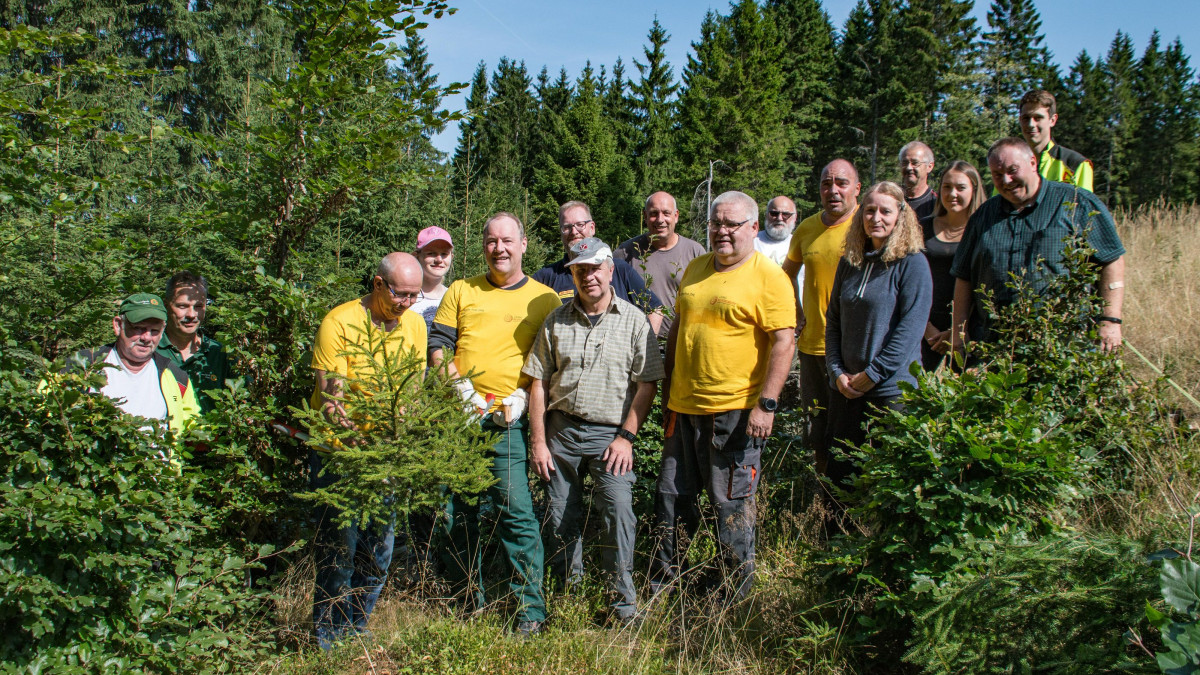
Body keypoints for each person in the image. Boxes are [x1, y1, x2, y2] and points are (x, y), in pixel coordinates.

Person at [652, 191, 795, 603]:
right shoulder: (696, 267)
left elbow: (784, 343)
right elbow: (678, 329)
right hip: (683, 408)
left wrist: (766, 405)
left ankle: (734, 592)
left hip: (734, 413)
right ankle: (663, 585)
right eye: (716, 223)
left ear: (754, 227)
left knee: (730, 504)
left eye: (731, 224)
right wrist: (667, 391)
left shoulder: (770, 278)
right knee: (671, 498)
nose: (722, 231)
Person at [429, 212, 561, 637]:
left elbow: (555, 363)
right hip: (461, 419)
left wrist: (526, 395)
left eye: (507, 241)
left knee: (516, 511)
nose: (499, 248)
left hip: (510, 420)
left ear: (524, 244)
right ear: (482, 245)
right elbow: (439, 346)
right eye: (491, 241)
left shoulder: (545, 299)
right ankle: (468, 600)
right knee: (457, 514)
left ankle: (529, 613)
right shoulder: (461, 291)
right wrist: (458, 389)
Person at [523, 236, 664, 625]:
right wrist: (538, 441)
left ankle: (622, 605)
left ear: (609, 270)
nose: (588, 277)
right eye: (580, 270)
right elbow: (537, 381)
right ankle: (569, 593)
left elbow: (647, 383)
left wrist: (627, 437)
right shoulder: (556, 320)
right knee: (558, 515)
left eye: (595, 269)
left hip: (611, 437)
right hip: (561, 432)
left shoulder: (635, 320)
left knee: (618, 511)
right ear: (573, 274)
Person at [308, 252, 428, 650]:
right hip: (340, 453)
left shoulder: (413, 325)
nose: (408, 304)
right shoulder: (338, 322)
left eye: (415, 295)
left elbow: (413, 387)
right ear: (378, 284)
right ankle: (327, 638)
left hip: (388, 453)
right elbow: (332, 401)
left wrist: (399, 441)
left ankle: (357, 626)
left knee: (379, 550)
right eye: (400, 295)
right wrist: (364, 452)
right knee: (339, 548)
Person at [950, 138, 1125, 354]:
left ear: (1033, 163)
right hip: (995, 347)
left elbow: (1112, 260)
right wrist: (959, 332)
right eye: (997, 174)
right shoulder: (983, 217)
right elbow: (963, 276)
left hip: (1063, 345)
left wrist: (1110, 321)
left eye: (1013, 170)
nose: (1006, 180)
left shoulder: (1076, 203)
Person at [824, 182, 932, 488]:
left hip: (891, 393)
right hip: (846, 390)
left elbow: (910, 330)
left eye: (885, 210)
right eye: (869, 210)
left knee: (889, 485)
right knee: (839, 479)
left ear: (901, 215)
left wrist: (873, 374)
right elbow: (833, 321)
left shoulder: (912, 264)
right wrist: (836, 373)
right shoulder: (850, 262)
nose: (876, 217)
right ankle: (837, 536)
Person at [781, 159, 860, 479]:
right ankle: (825, 499)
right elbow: (787, 274)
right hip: (814, 346)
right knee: (818, 431)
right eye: (826, 184)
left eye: (841, 183)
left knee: (856, 434)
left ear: (857, 188)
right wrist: (797, 312)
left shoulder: (867, 224)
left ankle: (857, 509)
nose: (833, 190)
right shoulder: (808, 228)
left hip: (856, 349)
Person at [533, 200, 665, 335]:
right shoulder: (547, 276)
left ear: (592, 227)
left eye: (580, 225)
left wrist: (645, 347)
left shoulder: (619, 269)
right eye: (567, 227)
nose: (574, 231)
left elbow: (655, 309)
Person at [77, 293, 199, 435]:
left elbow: (194, 425)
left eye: (154, 331)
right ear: (118, 325)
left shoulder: (176, 376)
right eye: (138, 328)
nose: (146, 338)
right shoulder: (82, 365)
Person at [918, 162, 986, 370]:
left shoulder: (983, 231)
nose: (952, 193)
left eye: (960, 187)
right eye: (946, 187)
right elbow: (907, 280)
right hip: (924, 327)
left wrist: (957, 331)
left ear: (974, 190)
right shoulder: (922, 227)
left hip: (968, 329)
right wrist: (925, 328)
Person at [615, 191, 707, 337]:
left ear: (676, 216)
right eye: (653, 213)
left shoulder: (695, 252)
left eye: (666, 213)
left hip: (682, 342)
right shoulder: (625, 252)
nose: (660, 219)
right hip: (639, 343)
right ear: (645, 216)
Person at [155, 272, 232, 415]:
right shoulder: (151, 351)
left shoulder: (220, 354)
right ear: (166, 305)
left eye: (198, 306)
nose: (192, 314)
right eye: (183, 306)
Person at [1019, 89, 1094, 192]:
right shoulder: (1012, 165)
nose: (1031, 124)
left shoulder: (1075, 165)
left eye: (1038, 118)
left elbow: (1085, 206)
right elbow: (997, 206)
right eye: (1026, 118)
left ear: (1052, 120)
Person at [409, 226, 454, 332]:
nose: (439, 260)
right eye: (431, 253)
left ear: (452, 256)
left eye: (444, 254)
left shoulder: (454, 297)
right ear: (416, 256)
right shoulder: (405, 297)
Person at [898, 141, 938, 221]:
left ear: (929, 167)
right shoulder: (892, 198)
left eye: (915, 163)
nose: (909, 168)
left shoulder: (936, 204)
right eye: (905, 163)